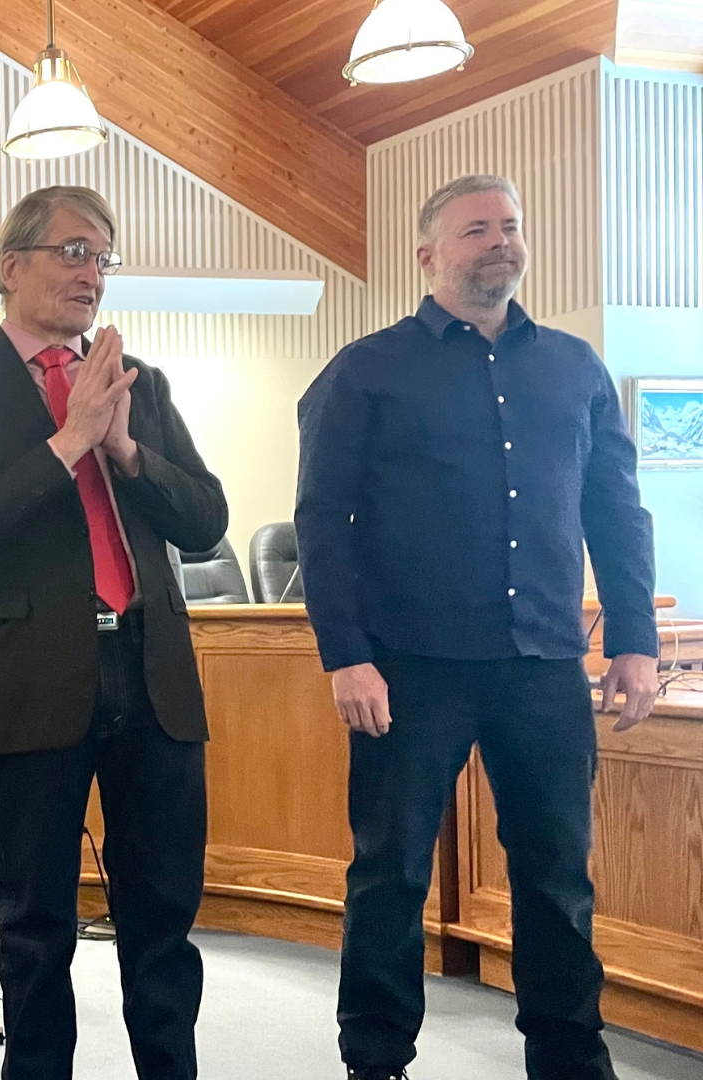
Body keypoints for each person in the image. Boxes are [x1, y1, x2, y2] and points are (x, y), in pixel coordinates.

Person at [296, 174, 658, 1080]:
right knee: (391, 875)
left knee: (557, 879)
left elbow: (617, 510)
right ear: (428, 256)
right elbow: (320, 519)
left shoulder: (574, 368)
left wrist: (636, 642)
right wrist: (347, 656)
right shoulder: (366, 369)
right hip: (409, 671)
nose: (499, 241)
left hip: (542, 667)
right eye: (475, 230)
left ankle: (570, 1061)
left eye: (510, 226)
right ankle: (374, 1060)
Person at [0, 186, 227, 1080]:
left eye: (104, 256)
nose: (91, 273)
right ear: (12, 268)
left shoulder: (143, 385)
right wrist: (67, 443)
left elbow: (206, 520)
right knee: (37, 927)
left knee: (163, 922)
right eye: (74, 251)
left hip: (152, 675)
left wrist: (125, 447)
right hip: (33, 682)